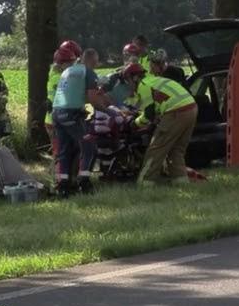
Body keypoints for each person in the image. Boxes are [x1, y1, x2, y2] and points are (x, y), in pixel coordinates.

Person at [121, 63, 198, 185]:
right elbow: (156, 106)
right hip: (191, 108)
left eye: (127, 80)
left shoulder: (144, 85)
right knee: (176, 149)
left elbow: (149, 114)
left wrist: (134, 124)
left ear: (135, 78)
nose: (127, 84)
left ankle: (145, 183)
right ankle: (181, 182)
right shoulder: (155, 80)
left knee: (156, 148)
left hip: (175, 112)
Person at [51, 45, 108, 196]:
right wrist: (107, 110)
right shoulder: (88, 72)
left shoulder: (69, 71)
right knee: (89, 147)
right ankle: (84, 182)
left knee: (64, 150)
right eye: (96, 64)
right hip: (71, 115)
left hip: (56, 113)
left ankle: (63, 186)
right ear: (93, 62)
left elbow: (73, 93)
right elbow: (92, 98)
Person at [46, 41, 82, 158]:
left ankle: (64, 173)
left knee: (64, 150)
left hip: (53, 117)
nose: (74, 64)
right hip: (57, 119)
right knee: (62, 152)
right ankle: (59, 174)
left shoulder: (57, 73)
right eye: (72, 61)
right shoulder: (60, 77)